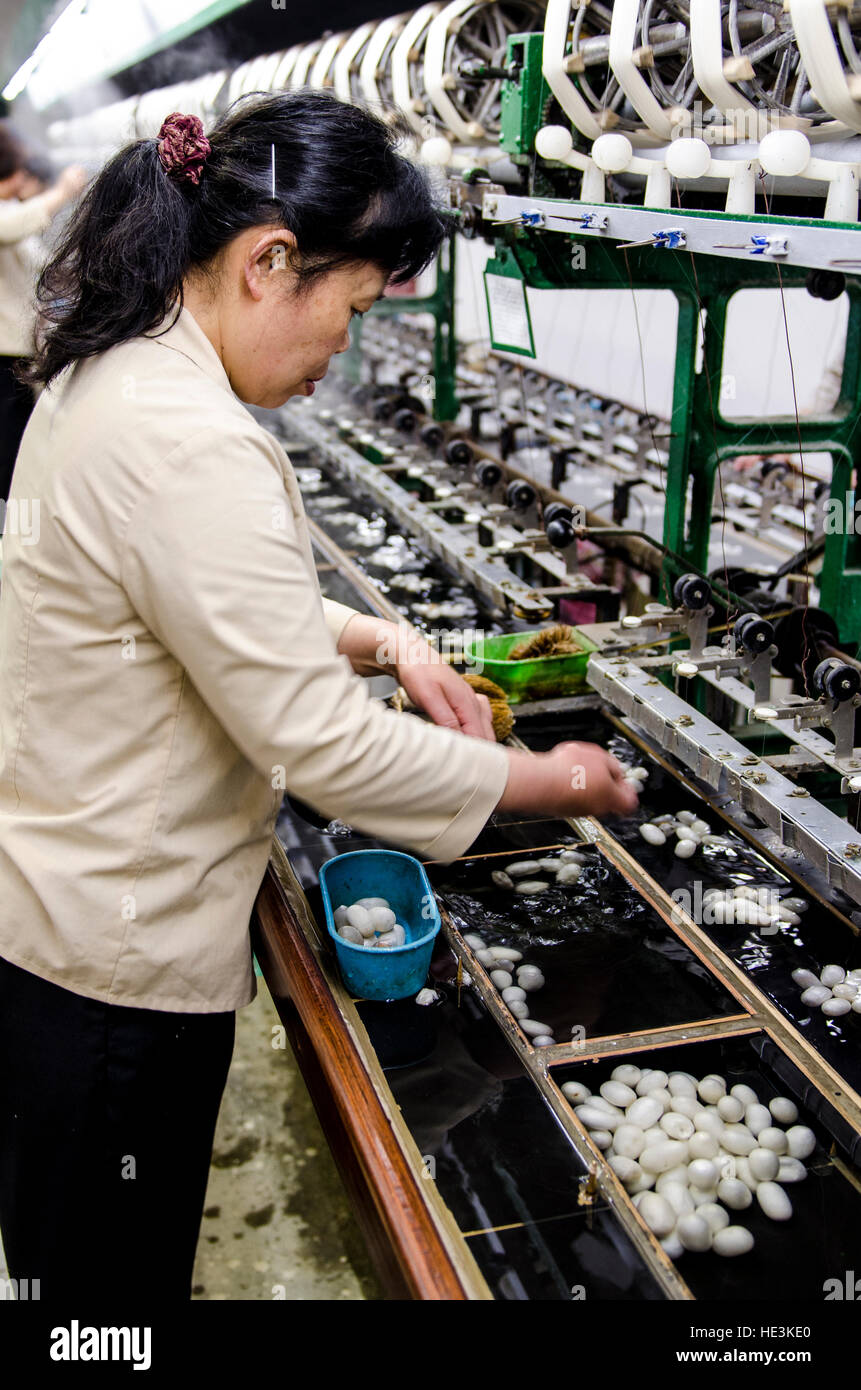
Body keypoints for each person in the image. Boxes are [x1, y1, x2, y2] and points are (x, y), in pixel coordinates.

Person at [0, 92, 636, 1303]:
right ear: (269, 261)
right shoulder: (188, 439)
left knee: (77, 1274)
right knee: (100, 1301)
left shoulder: (122, 373)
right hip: (107, 983)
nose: (343, 348)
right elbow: (319, 749)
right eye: (347, 312)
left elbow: (207, 599)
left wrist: (386, 639)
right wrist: (551, 781)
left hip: (56, 919)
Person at [0, 123, 86, 499]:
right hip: (1, 360)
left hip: (16, 358)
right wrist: (63, 192)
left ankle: (15, 531)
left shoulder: (10, 212)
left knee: (17, 453)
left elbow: (40, 263)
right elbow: (15, 226)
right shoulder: (8, 217)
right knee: (7, 457)